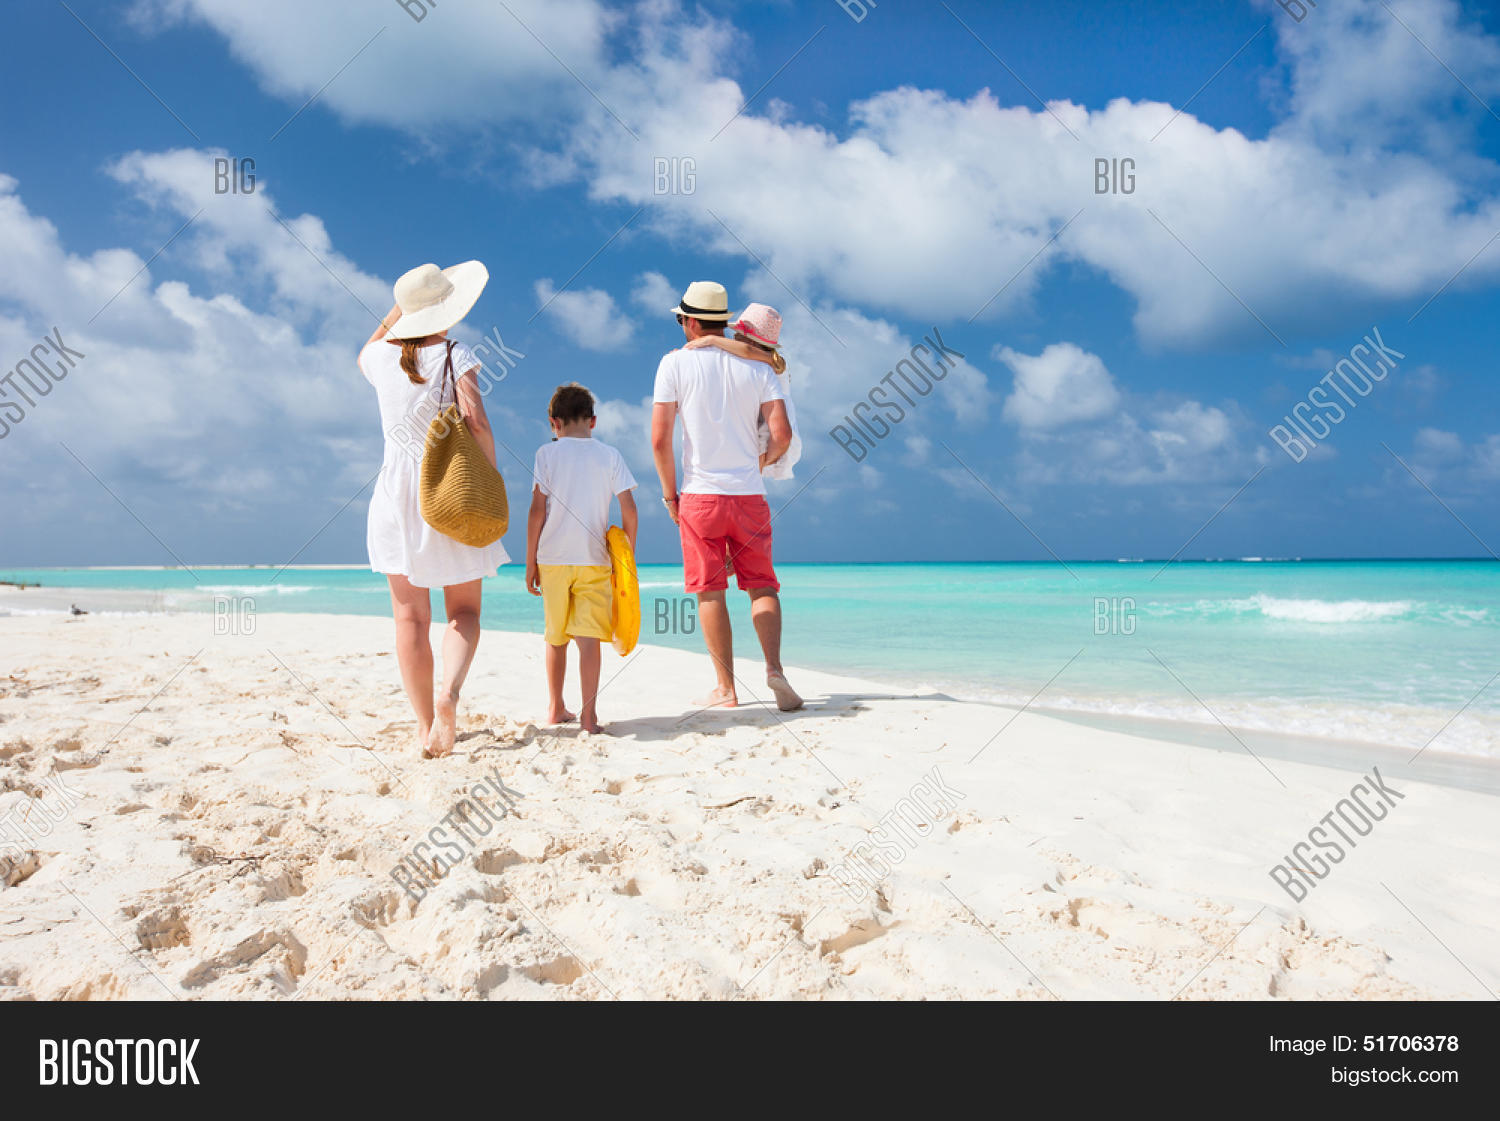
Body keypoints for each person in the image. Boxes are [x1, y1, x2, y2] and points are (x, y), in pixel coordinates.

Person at [360, 260, 506, 759]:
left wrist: (404, 304)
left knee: (409, 619)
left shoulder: (379, 359)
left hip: (393, 494)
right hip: (448, 487)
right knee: (463, 611)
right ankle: (450, 694)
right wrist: (492, 475)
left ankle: (425, 727)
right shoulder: (454, 353)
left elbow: (370, 343)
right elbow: (477, 423)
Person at [652, 281, 803, 711]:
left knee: (710, 593)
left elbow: (660, 440)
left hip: (700, 495)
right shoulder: (760, 367)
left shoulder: (673, 364)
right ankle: (774, 670)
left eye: (681, 319)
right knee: (762, 587)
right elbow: (782, 435)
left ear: (692, 321)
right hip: (749, 496)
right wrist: (758, 464)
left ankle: (726, 689)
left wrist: (670, 497)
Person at [525, 383, 638, 734]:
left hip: (553, 559)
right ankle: (589, 718)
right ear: (593, 421)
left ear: (553, 423)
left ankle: (556, 707)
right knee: (589, 640)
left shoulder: (547, 454)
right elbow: (629, 510)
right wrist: (626, 557)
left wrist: (530, 562)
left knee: (556, 637)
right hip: (595, 559)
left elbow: (536, 512)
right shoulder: (610, 455)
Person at [685, 302, 802, 479]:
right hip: (763, 426)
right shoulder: (755, 361)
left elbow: (746, 351)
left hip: (772, 429)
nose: (735, 340)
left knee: (750, 476)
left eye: (739, 336)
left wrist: (712, 339)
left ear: (750, 340)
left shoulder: (773, 361)